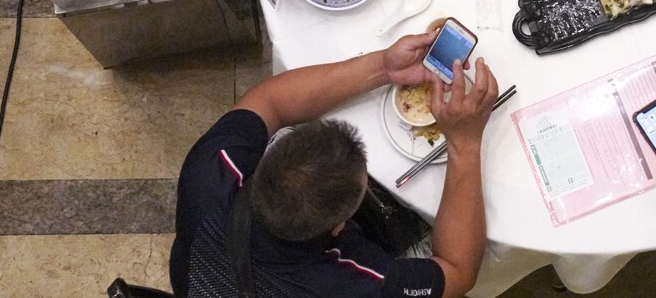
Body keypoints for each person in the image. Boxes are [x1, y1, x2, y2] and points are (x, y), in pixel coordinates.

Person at [170, 27, 500, 298]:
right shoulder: (356, 286)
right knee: (492, 245)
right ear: (340, 225)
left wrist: (384, 67)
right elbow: (458, 271)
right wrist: (464, 143)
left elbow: (269, 102)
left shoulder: (210, 170)